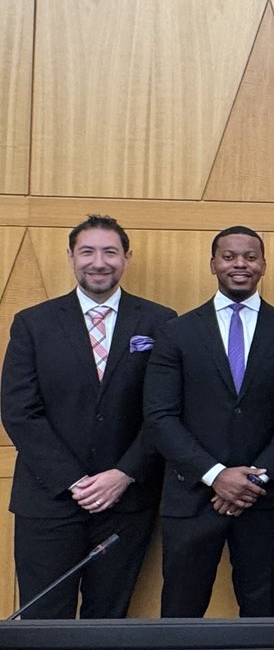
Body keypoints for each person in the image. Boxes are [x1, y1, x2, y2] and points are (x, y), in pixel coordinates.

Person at [1, 215, 175, 618]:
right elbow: (19, 410)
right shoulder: (33, 323)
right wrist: (74, 481)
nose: (99, 262)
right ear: (71, 257)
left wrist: (124, 473)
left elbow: (164, 410)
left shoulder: (161, 322)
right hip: (48, 500)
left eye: (110, 252)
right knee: (43, 620)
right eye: (87, 252)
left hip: (126, 500)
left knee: (109, 620)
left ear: (127, 257)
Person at [144, 225, 274, 617]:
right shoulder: (176, 333)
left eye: (250, 257)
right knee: (180, 614)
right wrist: (216, 475)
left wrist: (253, 481)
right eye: (229, 256)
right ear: (213, 264)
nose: (240, 264)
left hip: (262, 499)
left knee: (260, 612)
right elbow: (159, 416)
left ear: (263, 265)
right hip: (192, 495)